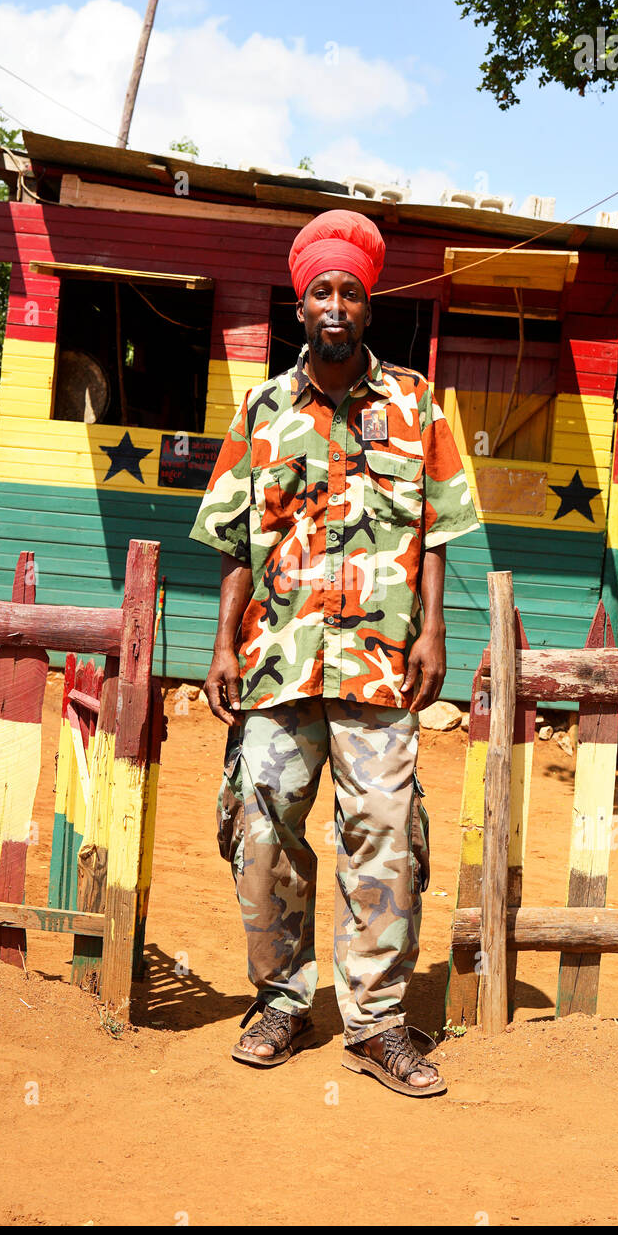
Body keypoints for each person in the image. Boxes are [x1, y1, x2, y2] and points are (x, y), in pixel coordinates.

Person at [189, 208, 479, 1096]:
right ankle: (281, 1000)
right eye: (322, 290)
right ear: (300, 305)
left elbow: (435, 533)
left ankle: (379, 1022)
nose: (337, 305)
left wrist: (433, 629)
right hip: (278, 659)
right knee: (264, 832)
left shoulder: (418, 406)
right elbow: (240, 542)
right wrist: (222, 643)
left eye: (352, 291)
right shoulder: (263, 408)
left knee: (385, 835)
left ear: (369, 304)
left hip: (385, 661)